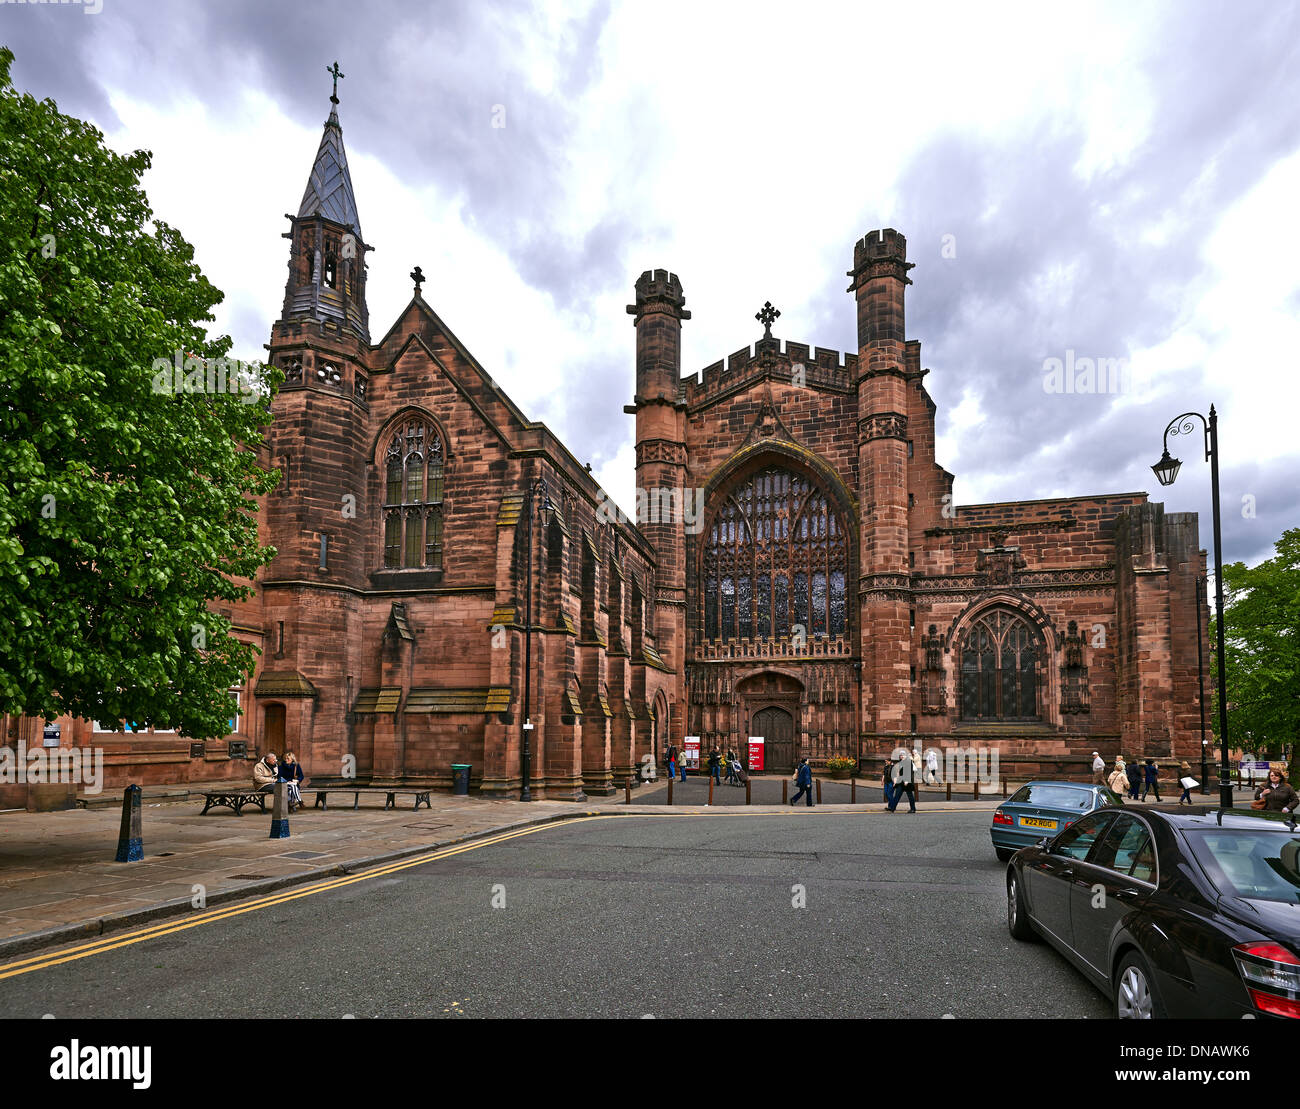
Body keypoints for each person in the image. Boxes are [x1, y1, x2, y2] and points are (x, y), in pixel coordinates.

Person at [889, 748, 917, 813]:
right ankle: (892, 808)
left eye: (903, 755)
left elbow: (909, 772)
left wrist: (907, 780)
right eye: (900, 755)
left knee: (910, 796)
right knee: (897, 795)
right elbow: (899, 773)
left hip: (907, 782)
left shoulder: (909, 761)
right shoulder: (901, 762)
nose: (901, 756)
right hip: (901, 782)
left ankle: (913, 809)